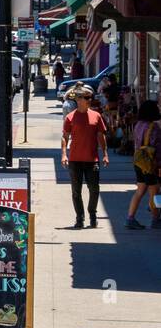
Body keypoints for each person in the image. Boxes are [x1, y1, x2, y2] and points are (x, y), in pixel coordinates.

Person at [62, 84, 109, 229]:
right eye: (87, 97)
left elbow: (101, 136)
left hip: (92, 159)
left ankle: (92, 214)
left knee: (94, 189)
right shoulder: (70, 117)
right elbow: (65, 137)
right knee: (76, 191)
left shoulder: (96, 116)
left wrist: (105, 154)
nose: (90, 100)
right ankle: (79, 218)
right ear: (78, 99)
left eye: (90, 97)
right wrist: (64, 154)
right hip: (75, 160)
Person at [127, 99, 161, 229]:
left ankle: (130, 218)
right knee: (154, 191)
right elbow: (157, 148)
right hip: (150, 163)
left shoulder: (138, 125)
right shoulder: (154, 127)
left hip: (139, 161)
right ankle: (155, 219)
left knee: (140, 191)